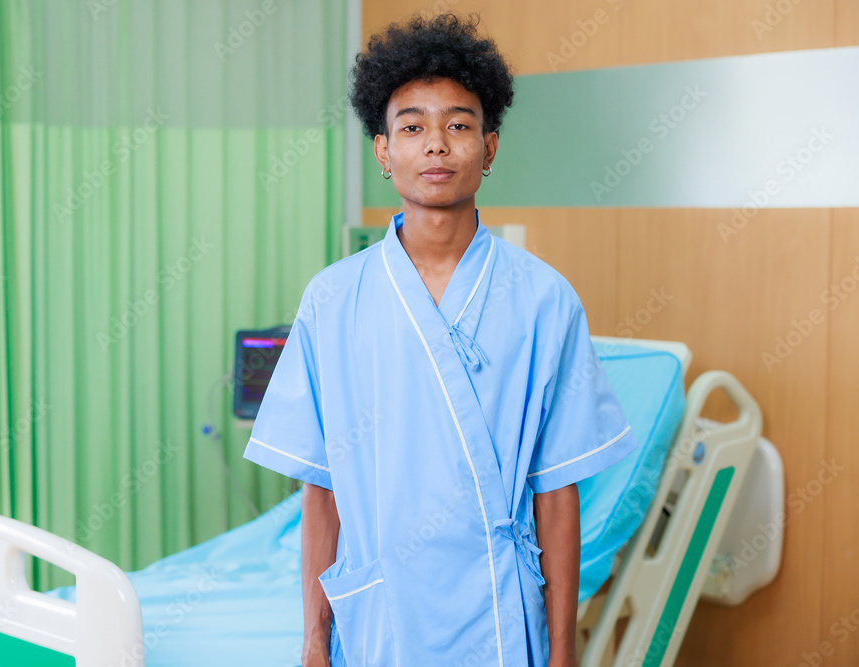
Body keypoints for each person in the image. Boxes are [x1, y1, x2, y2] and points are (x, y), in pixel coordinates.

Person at [243, 12, 638, 667]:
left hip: (497, 609)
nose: (436, 144)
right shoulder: (333, 300)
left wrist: (565, 653)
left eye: (458, 125)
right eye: (413, 126)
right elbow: (323, 488)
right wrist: (314, 642)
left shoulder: (544, 299)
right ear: (382, 150)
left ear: (488, 147)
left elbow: (557, 491)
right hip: (383, 610)